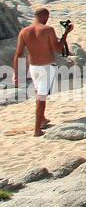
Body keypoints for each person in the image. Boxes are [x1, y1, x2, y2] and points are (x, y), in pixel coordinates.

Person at [13, 7, 71, 137]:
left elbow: (18, 54)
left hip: (33, 67)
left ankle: (43, 119)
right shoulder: (48, 30)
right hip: (47, 67)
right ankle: (37, 130)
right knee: (42, 97)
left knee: (39, 93)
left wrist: (16, 73)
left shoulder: (24, 31)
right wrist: (66, 34)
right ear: (45, 17)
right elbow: (58, 49)